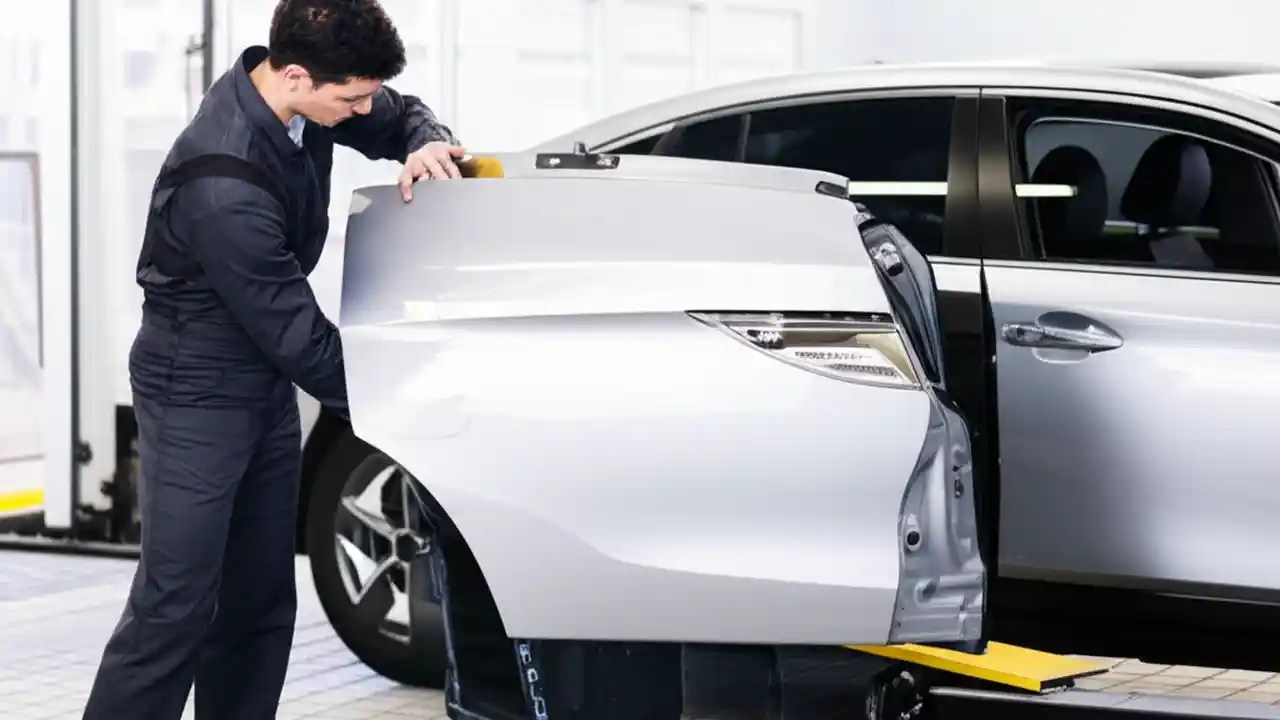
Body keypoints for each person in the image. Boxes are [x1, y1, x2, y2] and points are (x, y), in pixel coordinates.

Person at [81, 2, 462, 718]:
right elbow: (296, 335)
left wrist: (426, 140)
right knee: (176, 605)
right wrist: (402, 405)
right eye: (350, 98)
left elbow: (398, 111)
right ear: (295, 76)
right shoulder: (222, 179)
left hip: (260, 377)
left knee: (259, 601)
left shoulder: (310, 95)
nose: (362, 109)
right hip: (193, 385)